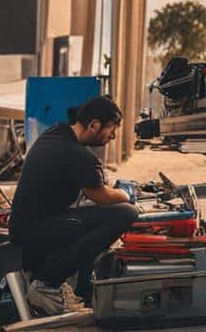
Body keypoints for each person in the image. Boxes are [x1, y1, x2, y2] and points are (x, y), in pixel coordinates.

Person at [9, 96, 139, 316]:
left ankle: (81, 289)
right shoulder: (77, 154)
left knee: (92, 220)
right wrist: (126, 193)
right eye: (111, 129)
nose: (113, 136)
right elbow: (103, 197)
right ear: (94, 125)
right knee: (125, 213)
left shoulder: (55, 134)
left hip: (29, 225)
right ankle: (47, 285)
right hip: (36, 230)